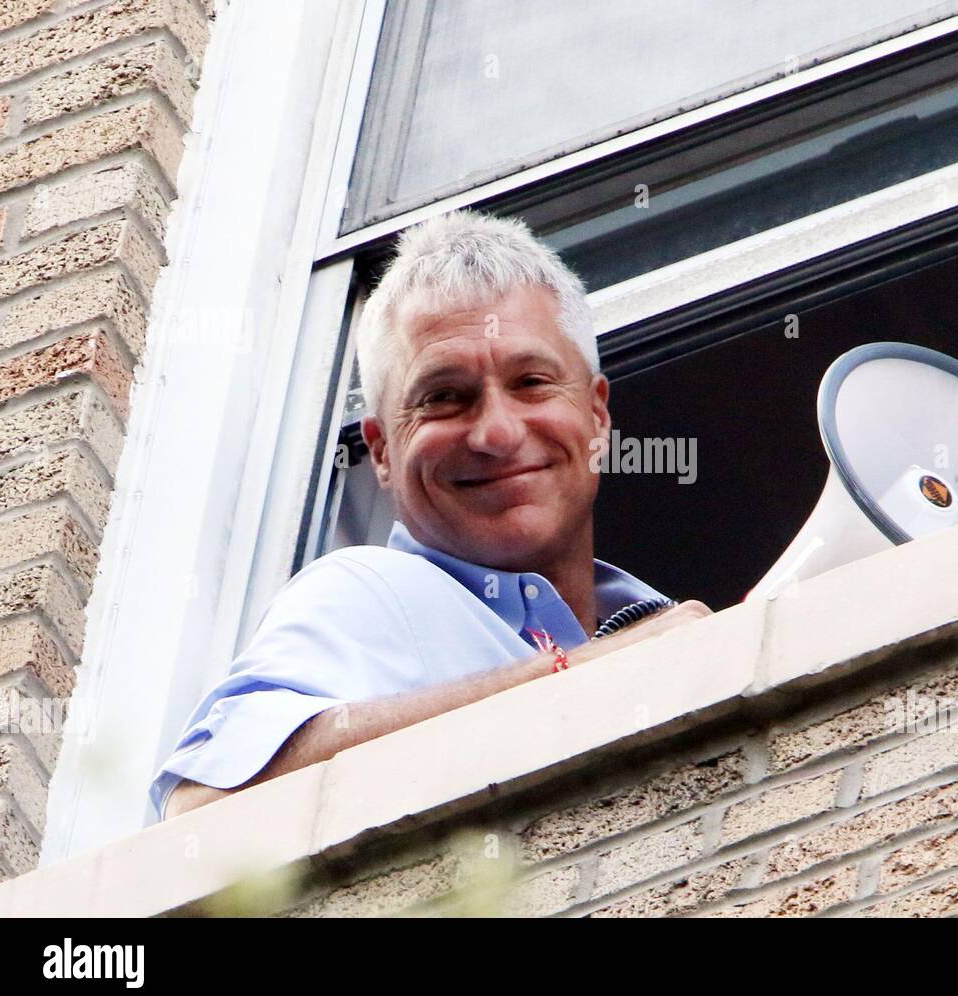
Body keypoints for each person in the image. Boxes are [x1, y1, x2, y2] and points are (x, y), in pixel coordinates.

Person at [153, 210, 711, 819]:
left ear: (597, 418)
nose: (497, 433)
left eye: (530, 382)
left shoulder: (651, 615)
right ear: (384, 450)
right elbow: (202, 807)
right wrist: (572, 676)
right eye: (444, 397)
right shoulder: (366, 591)